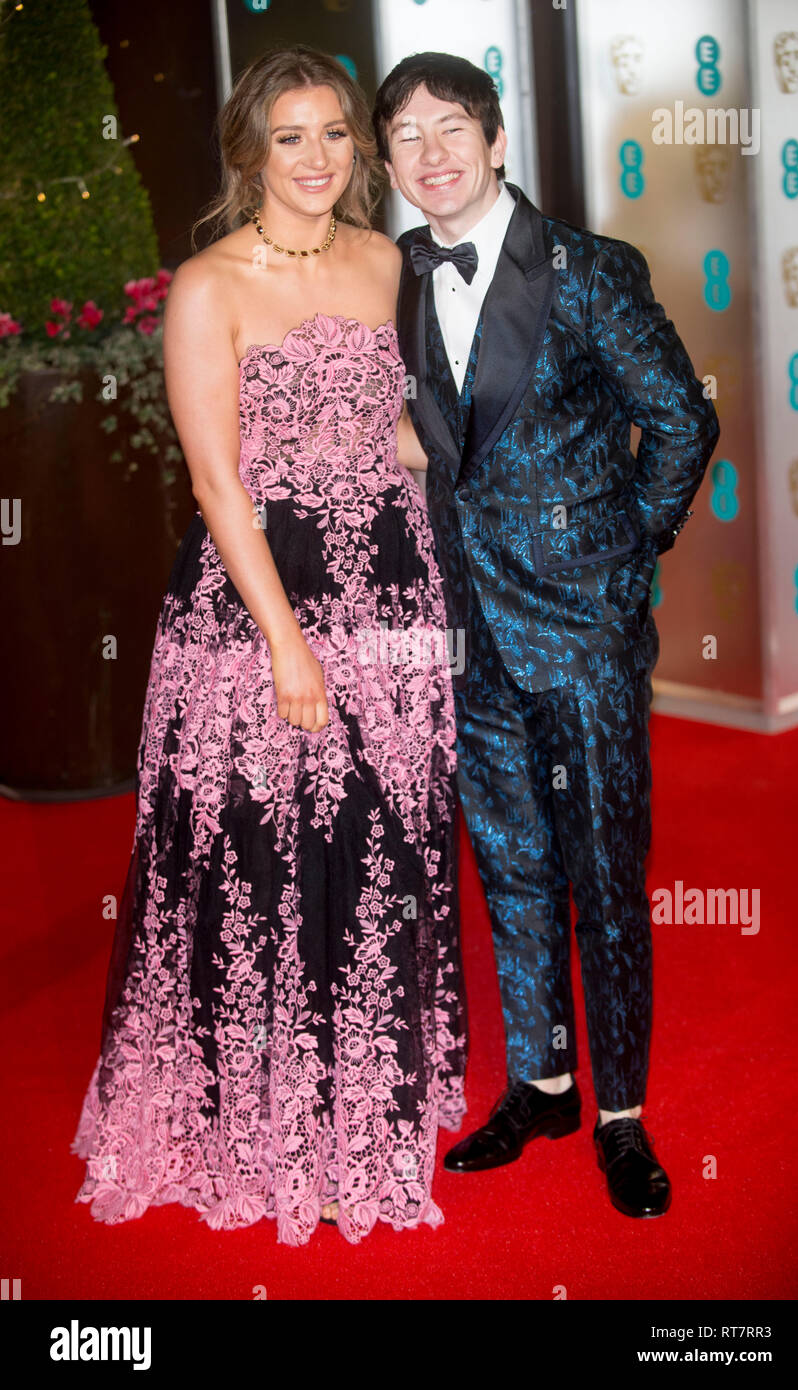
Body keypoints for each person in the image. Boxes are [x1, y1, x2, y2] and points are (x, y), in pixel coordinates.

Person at [71, 46, 467, 1247]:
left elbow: (389, 423)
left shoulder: (378, 259)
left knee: (375, 843)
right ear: (249, 149)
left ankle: (362, 1113)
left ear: (360, 148)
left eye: (337, 134)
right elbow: (213, 479)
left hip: (392, 591)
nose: (315, 158)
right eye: (289, 135)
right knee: (262, 853)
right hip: (260, 605)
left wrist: (491, 446)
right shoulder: (209, 284)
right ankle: (265, 1123)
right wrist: (289, 646)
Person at [373, 52, 720, 1218]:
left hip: (583, 630)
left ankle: (621, 1112)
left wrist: (628, 563)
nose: (432, 152)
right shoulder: (402, 276)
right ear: (388, 164)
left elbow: (681, 422)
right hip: (466, 636)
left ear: (498, 137)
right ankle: (545, 1080)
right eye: (407, 136)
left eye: (451, 126)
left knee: (606, 880)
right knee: (513, 869)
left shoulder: (588, 270)